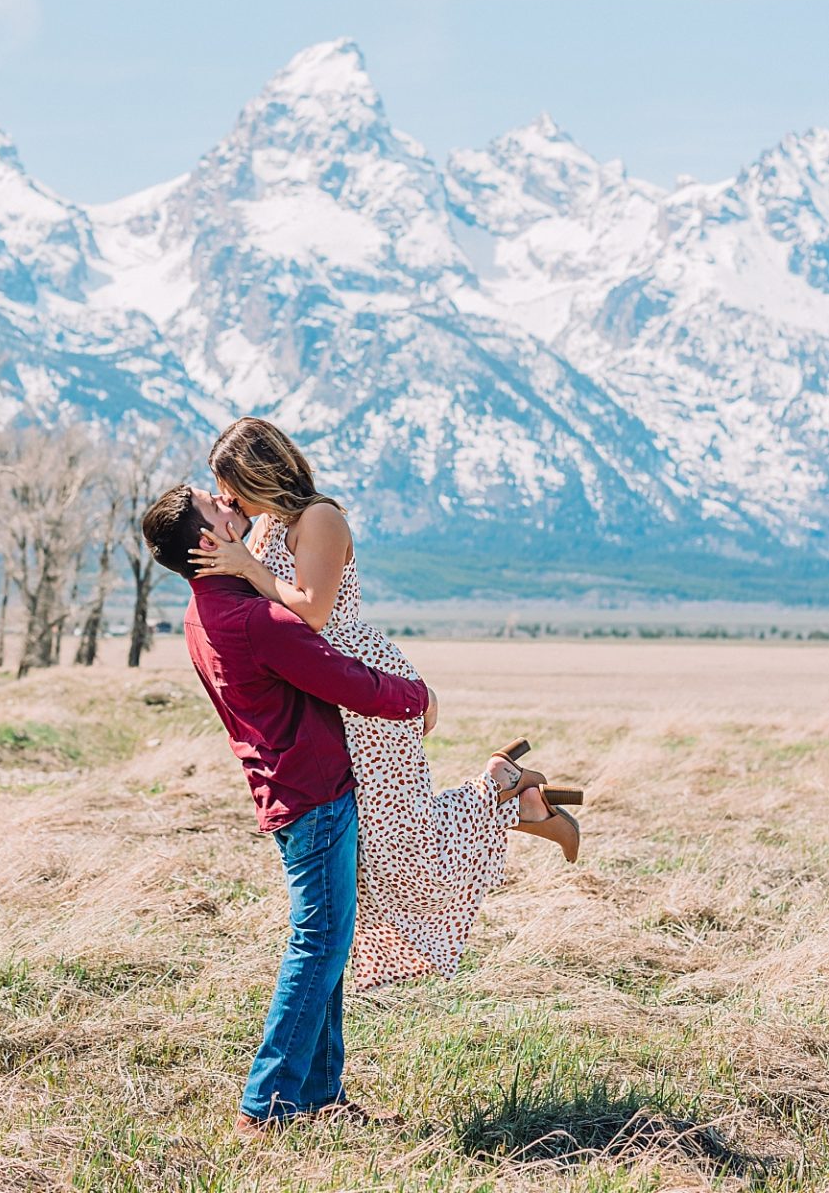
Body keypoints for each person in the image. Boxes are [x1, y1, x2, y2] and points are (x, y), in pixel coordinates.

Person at [189, 417, 582, 993]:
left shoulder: (319, 518)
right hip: (326, 692)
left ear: (258, 473)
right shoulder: (267, 525)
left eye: (231, 485)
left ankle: (502, 792)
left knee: (401, 851)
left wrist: (246, 566)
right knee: (373, 855)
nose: (227, 499)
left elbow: (312, 611)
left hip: (363, 685)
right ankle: (511, 798)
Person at [141, 482, 437, 1132]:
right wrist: (416, 697)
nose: (230, 503)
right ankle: (266, 1105)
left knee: (325, 947)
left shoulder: (203, 611)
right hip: (315, 795)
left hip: (286, 791)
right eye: (216, 505)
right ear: (208, 541)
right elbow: (346, 682)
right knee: (318, 946)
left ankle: (320, 1096)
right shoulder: (256, 620)